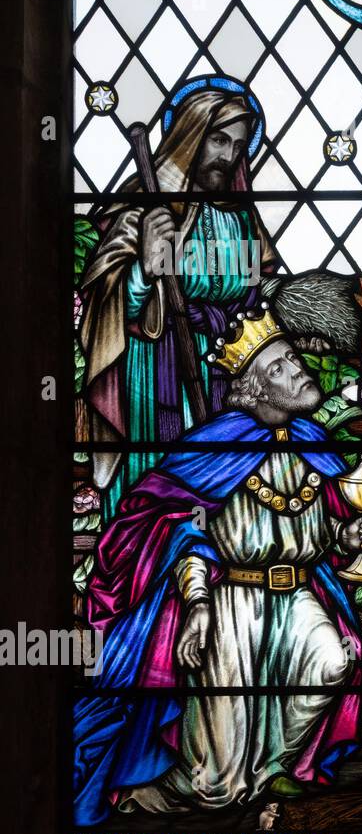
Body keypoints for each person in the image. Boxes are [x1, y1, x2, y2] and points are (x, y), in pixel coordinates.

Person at [72, 308, 362, 826]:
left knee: (333, 663)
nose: (299, 369)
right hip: (229, 599)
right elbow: (184, 534)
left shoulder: (313, 446)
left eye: (294, 358)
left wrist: (352, 536)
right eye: (283, 366)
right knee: (214, 778)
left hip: (299, 592)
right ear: (257, 390)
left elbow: (322, 533)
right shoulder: (216, 447)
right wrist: (196, 606)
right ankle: (163, 792)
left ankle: (280, 765)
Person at [79, 79, 279, 511]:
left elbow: (253, 300)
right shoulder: (144, 212)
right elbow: (108, 312)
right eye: (219, 139)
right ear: (191, 137)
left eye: (238, 147)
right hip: (154, 375)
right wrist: (145, 268)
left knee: (224, 499)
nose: (228, 157)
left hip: (228, 375)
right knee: (157, 493)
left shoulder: (241, 222)